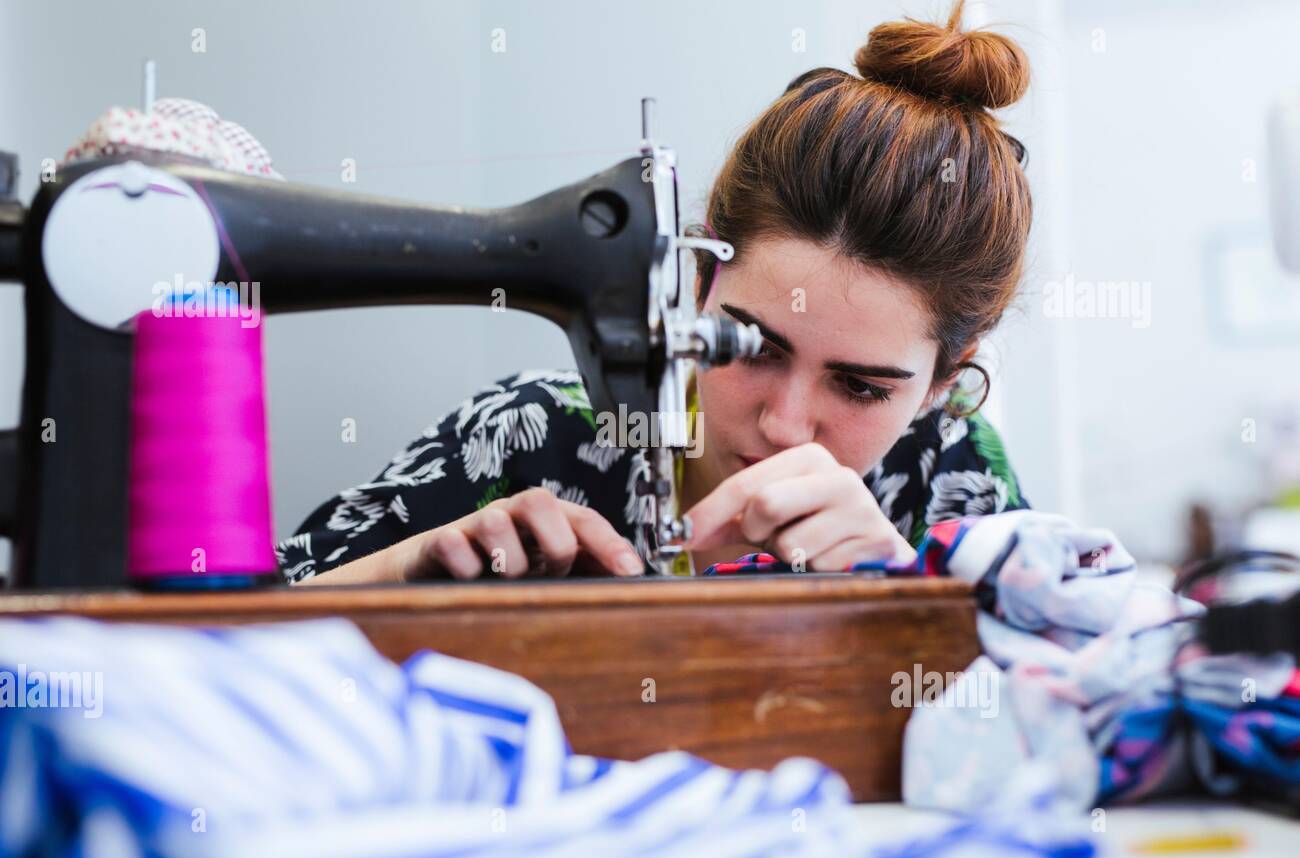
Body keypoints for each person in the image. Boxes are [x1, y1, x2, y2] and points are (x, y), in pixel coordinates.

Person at [277, 0, 1033, 585]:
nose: (785, 425)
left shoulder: (950, 480)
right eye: (753, 347)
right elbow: (205, 645)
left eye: (863, 389)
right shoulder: (527, 438)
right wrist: (396, 575)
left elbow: (1070, 716)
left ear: (943, 380)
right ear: (697, 282)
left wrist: (899, 599)